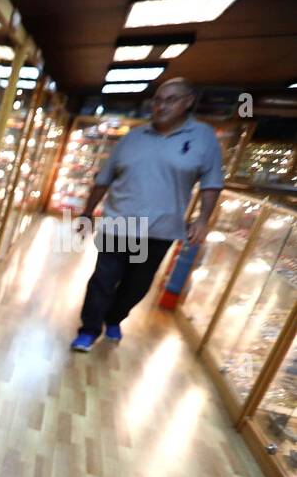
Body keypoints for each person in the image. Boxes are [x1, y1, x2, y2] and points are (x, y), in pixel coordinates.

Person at [70, 77, 224, 352]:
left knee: (136, 286)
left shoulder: (203, 138)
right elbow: (104, 179)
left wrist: (203, 219)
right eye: (158, 100)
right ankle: (89, 330)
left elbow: (211, 183)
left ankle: (115, 318)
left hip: (162, 229)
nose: (161, 106)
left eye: (171, 99)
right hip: (121, 221)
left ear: (188, 102)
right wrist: (86, 214)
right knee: (103, 280)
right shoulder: (133, 138)